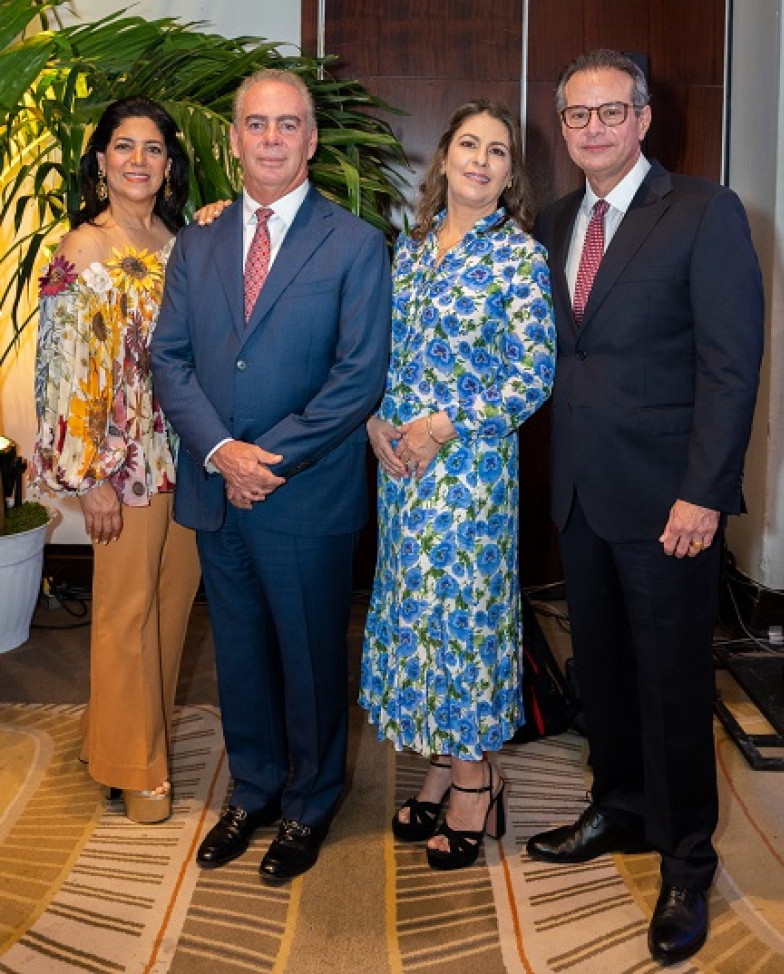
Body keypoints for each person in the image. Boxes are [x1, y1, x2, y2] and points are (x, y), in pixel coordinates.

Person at [524, 50, 763, 965]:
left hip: (671, 502)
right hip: (582, 493)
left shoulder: (705, 213)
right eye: (577, 116)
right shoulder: (550, 223)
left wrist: (705, 494)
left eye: (609, 113)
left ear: (643, 116)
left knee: (671, 685)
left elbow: (731, 367)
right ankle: (619, 809)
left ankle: (686, 858)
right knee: (608, 674)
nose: (593, 129)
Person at [150, 68, 391, 881]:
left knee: (313, 658)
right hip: (220, 488)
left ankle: (311, 804)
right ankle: (251, 790)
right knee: (241, 656)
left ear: (312, 140)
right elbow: (170, 358)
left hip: (307, 494)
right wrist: (222, 452)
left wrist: (267, 459)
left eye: (289, 125)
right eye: (257, 125)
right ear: (233, 139)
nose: (272, 139)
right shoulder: (199, 239)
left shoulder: (355, 244)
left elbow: (358, 379)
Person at [360, 100, 556, 871]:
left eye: (497, 151)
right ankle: (441, 761)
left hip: (467, 471)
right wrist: (379, 423)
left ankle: (477, 781)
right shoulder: (408, 249)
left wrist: (442, 425)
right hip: (401, 471)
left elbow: (533, 377)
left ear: (511, 174)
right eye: (468, 145)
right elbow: (387, 355)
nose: (479, 160)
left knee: (462, 619)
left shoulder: (519, 258)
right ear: (443, 157)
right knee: (416, 610)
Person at [32, 96, 201, 824]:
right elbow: (59, 371)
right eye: (124, 146)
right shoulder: (81, 248)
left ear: (169, 164)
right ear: (100, 161)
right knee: (125, 613)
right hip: (122, 462)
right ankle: (135, 769)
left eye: (153, 148)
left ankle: (124, 741)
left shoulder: (183, 242)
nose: (139, 160)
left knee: (170, 608)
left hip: (187, 453)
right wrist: (90, 476)